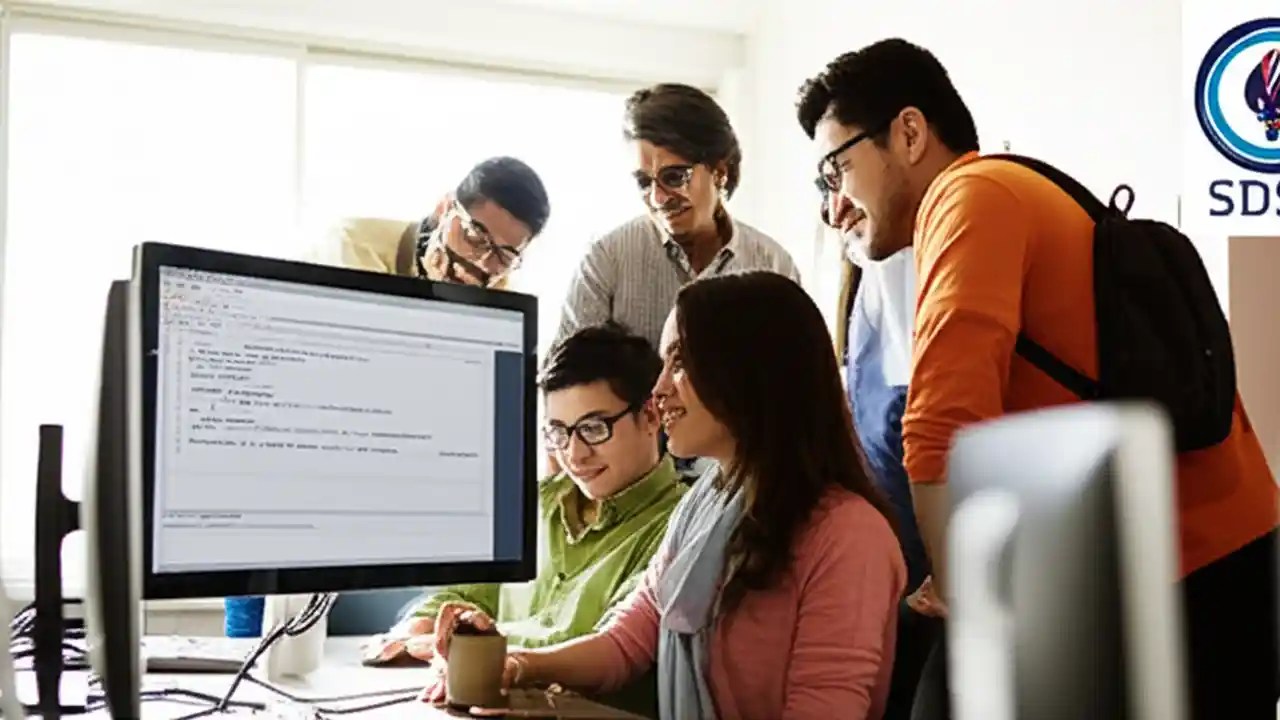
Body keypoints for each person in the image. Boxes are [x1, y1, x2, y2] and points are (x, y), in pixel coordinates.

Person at [797, 38, 1280, 719]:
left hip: (1186, 555)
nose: (833, 204)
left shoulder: (970, 195)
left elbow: (941, 423)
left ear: (908, 132)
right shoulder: (1013, 189)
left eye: (834, 170)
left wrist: (966, 599)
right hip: (1192, 542)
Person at [433, 271, 906, 720]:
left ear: (747, 374)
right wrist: (518, 666)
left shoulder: (848, 536)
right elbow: (625, 644)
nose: (658, 391)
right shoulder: (705, 506)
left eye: (679, 363)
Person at [367, 324, 686, 671]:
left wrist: (468, 644)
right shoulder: (533, 504)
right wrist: (420, 627)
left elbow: (605, 645)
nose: (575, 454)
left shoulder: (681, 526)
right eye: (558, 432)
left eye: (594, 428)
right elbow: (462, 594)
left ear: (651, 416)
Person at [553, 83, 800, 353]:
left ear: (719, 171)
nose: (658, 198)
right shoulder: (607, 259)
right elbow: (565, 380)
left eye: (674, 177)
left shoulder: (774, 267)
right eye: (644, 182)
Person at [820, 190, 937, 719]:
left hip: (924, 566)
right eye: (826, 191)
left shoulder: (912, 274)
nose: (836, 209)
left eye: (843, 182)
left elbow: (922, 433)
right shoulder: (864, 284)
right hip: (883, 559)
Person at [308, 155, 550, 288]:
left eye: (503, 257)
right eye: (474, 236)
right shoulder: (353, 245)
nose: (482, 264)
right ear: (444, 208)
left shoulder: (501, 291)